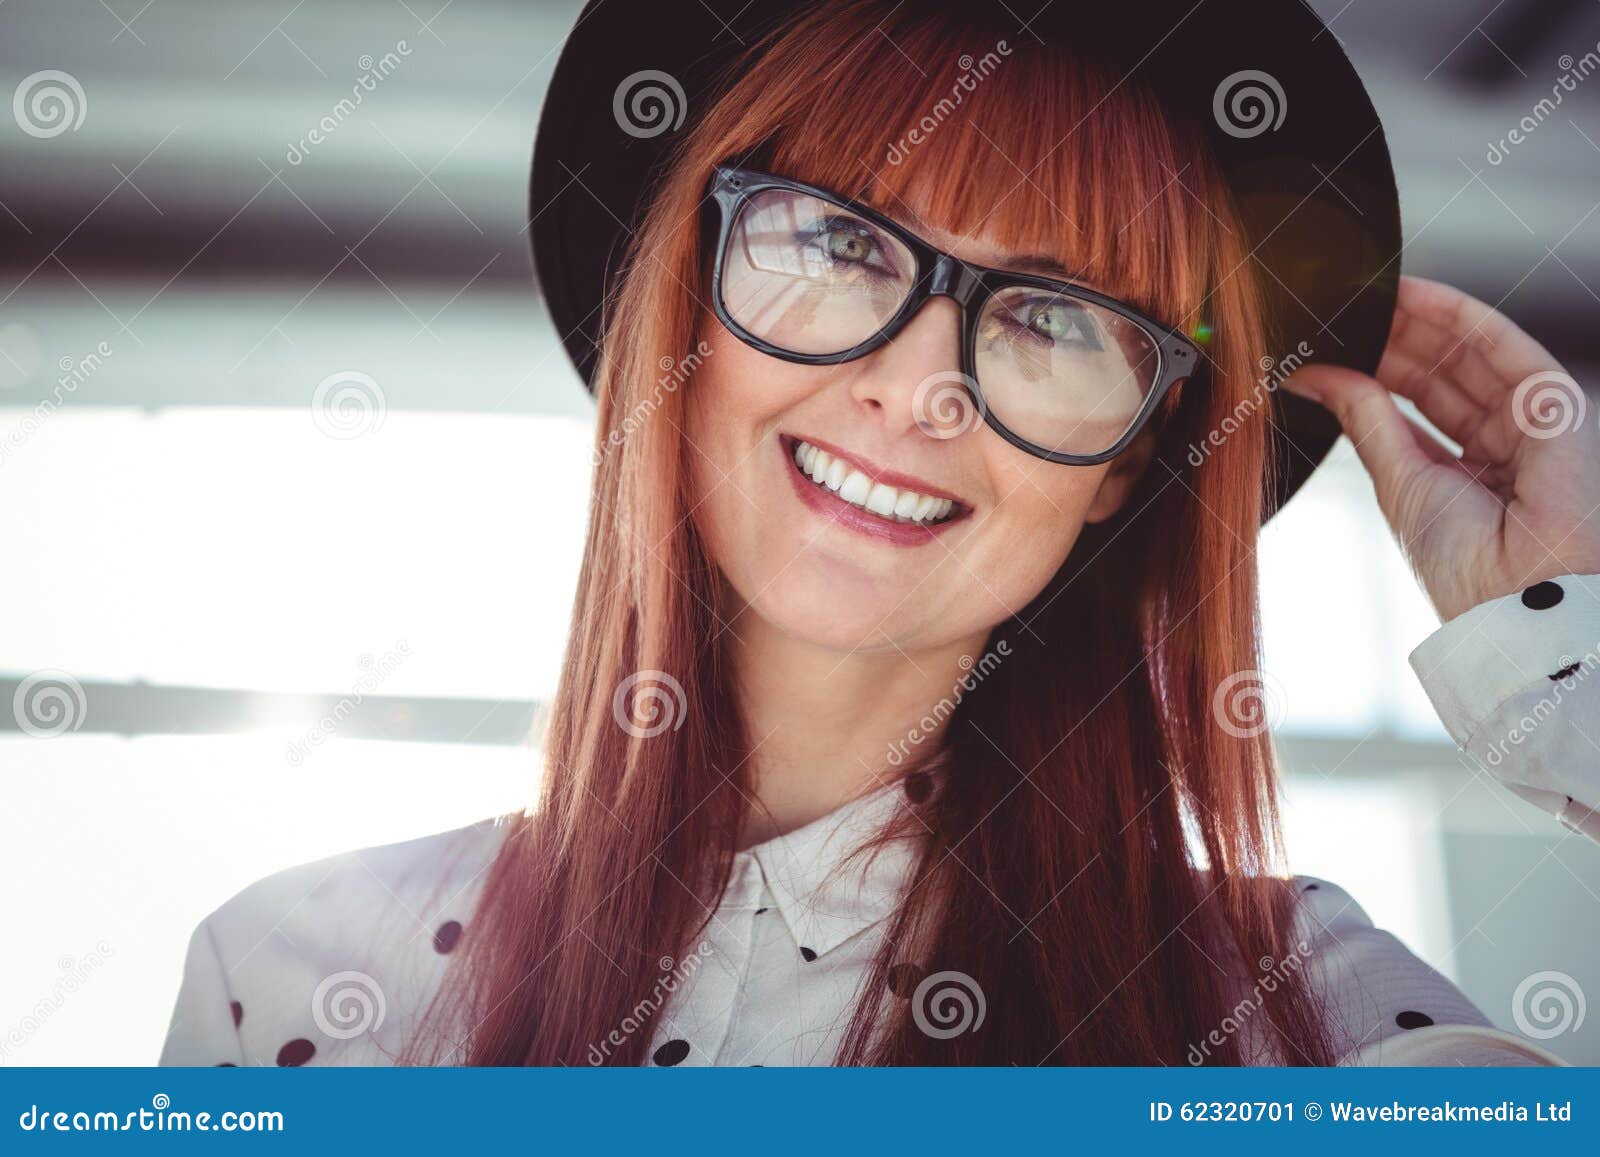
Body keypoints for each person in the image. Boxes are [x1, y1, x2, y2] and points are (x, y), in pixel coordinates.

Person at [159, 0, 1600, 1067]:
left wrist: (1575, 647)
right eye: (840, 242)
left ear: (1128, 460)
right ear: (685, 306)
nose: (919, 390)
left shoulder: (1301, 1014)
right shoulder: (287, 982)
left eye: (1053, 318)